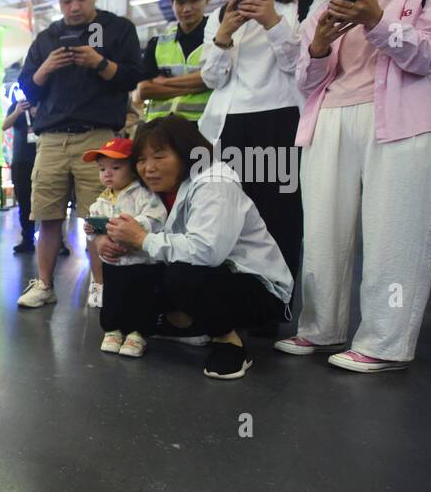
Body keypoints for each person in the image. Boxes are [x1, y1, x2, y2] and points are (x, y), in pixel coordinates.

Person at [277, 0, 431, 372]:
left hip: (401, 121)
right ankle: (321, 327)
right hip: (329, 118)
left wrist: (377, 21)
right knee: (323, 232)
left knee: (395, 232)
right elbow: (305, 80)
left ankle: (384, 343)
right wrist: (318, 47)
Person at [98, 115, 293, 380]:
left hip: (255, 286)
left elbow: (206, 252)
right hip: (215, 274)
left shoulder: (215, 184)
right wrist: (110, 241)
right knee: (135, 275)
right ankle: (189, 323)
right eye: (141, 160)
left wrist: (141, 240)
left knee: (183, 276)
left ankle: (228, 342)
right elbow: (148, 232)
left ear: (187, 154)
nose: (149, 168)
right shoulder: (160, 189)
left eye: (159, 156)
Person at [16, 0, 143, 308]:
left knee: (99, 217)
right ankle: (44, 284)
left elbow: (132, 76)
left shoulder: (118, 30)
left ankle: (101, 286)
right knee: (47, 215)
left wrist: (98, 62)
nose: (73, 7)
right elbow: (27, 87)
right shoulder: (46, 39)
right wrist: (46, 68)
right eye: (65, 0)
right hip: (52, 139)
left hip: (98, 137)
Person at [199, 0, 309, 290]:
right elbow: (212, 77)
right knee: (232, 213)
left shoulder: (306, 1)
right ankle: (235, 300)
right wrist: (225, 33)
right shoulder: (220, 14)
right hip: (231, 124)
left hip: (283, 120)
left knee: (280, 215)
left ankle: (275, 301)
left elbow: (305, 67)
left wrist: (272, 21)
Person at [83, 137, 167, 336]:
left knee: (140, 298)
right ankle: (112, 330)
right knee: (113, 296)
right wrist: (96, 236)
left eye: (116, 168)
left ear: (133, 168)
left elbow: (156, 218)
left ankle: (137, 333)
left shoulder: (144, 195)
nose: (108, 174)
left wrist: (131, 231)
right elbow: (93, 225)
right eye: (102, 169)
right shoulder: (101, 200)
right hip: (113, 263)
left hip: (141, 262)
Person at [138, 0, 213, 123]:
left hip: (202, 127)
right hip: (159, 127)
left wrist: (164, 82)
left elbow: (214, 78)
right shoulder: (157, 43)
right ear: (172, 3)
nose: (186, 9)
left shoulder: (218, 39)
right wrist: (197, 84)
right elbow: (144, 90)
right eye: (180, 2)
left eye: (194, 0)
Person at [2, 96, 37, 253]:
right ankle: (27, 239)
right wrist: (17, 112)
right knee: (24, 202)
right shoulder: (18, 105)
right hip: (21, 159)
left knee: (52, 200)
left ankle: (59, 241)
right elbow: (5, 125)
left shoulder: (46, 101)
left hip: (45, 158)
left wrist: (39, 115)